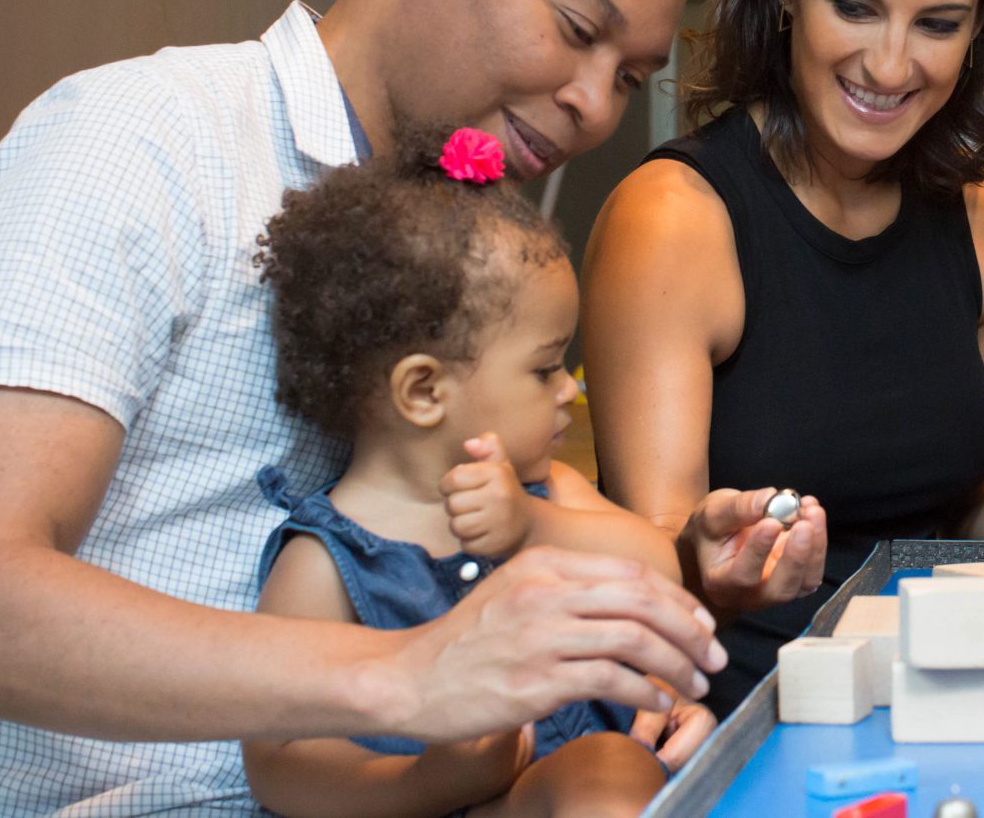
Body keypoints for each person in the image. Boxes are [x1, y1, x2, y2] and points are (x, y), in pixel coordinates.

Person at [0, 0, 810, 813]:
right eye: (578, 31)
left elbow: (509, 533)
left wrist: (619, 658)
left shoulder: (464, 234)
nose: (596, 107)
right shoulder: (145, 143)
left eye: (628, 79)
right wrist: (411, 675)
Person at [580, 0, 984, 713]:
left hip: (948, 699)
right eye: (855, 5)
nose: (888, 64)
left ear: (981, 26)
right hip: (735, 717)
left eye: (937, 24)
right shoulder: (676, 219)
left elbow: (970, 510)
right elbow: (658, 553)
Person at [244, 126, 706, 817]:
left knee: (608, 766)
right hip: (427, 806)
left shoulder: (545, 490)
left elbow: (659, 568)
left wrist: (531, 527)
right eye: (545, 367)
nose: (568, 391)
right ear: (424, 391)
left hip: (576, 787)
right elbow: (279, 763)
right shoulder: (324, 562)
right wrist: (427, 783)